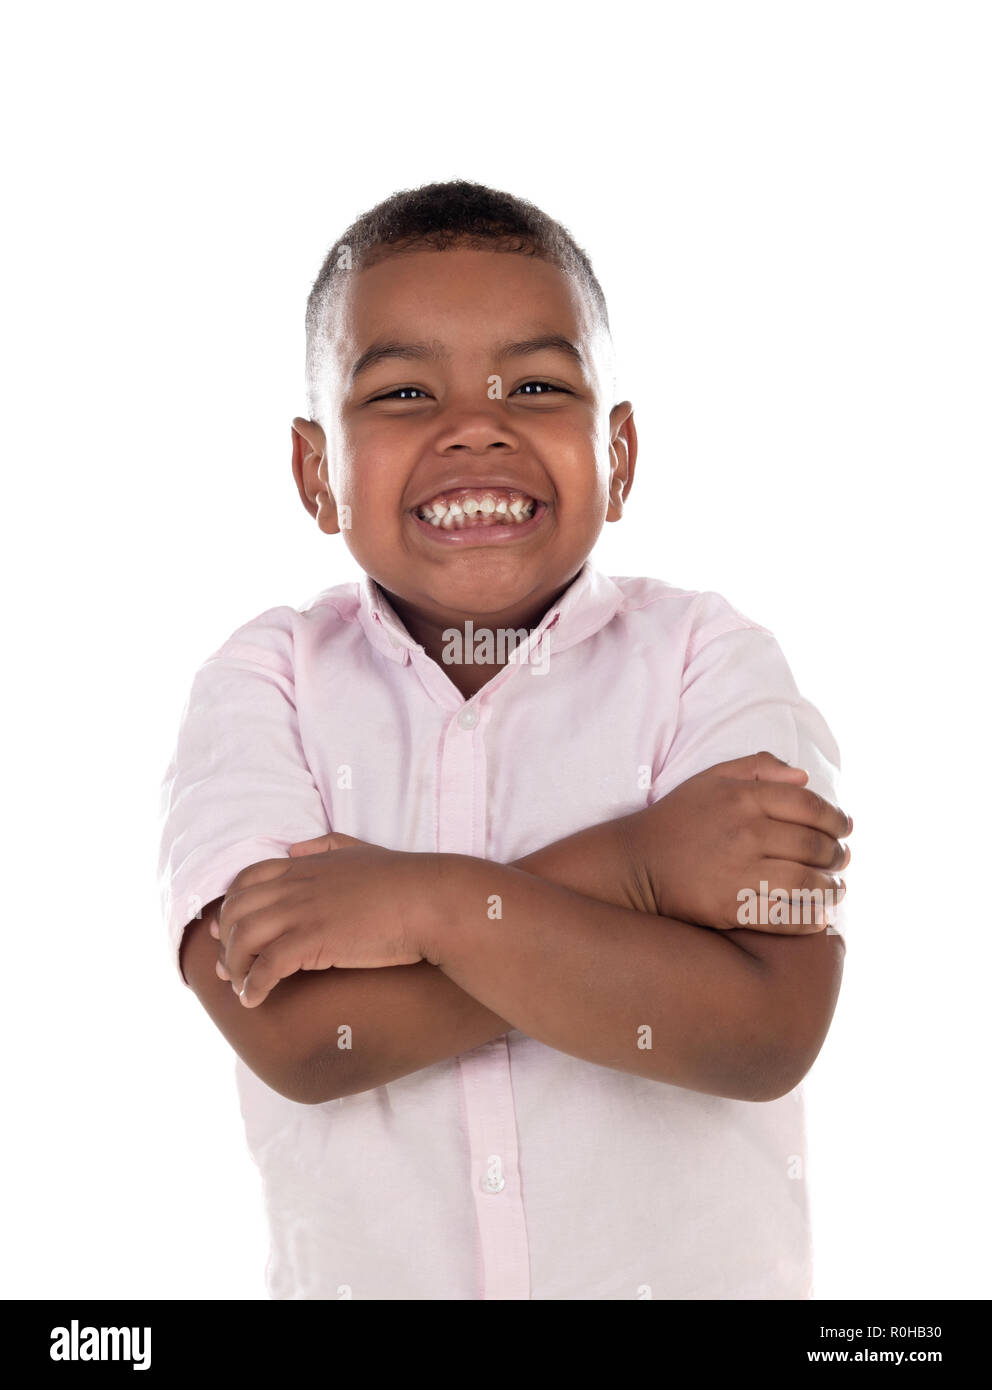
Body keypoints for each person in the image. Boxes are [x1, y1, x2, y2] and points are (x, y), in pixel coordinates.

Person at [157, 179, 852, 1300]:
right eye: (398, 391)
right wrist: (638, 872)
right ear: (313, 471)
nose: (473, 423)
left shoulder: (706, 661)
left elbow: (762, 1029)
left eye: (533, 383)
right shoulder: (264, 685)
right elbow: (304, 1038)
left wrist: (420, 908)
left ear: (617, 454)